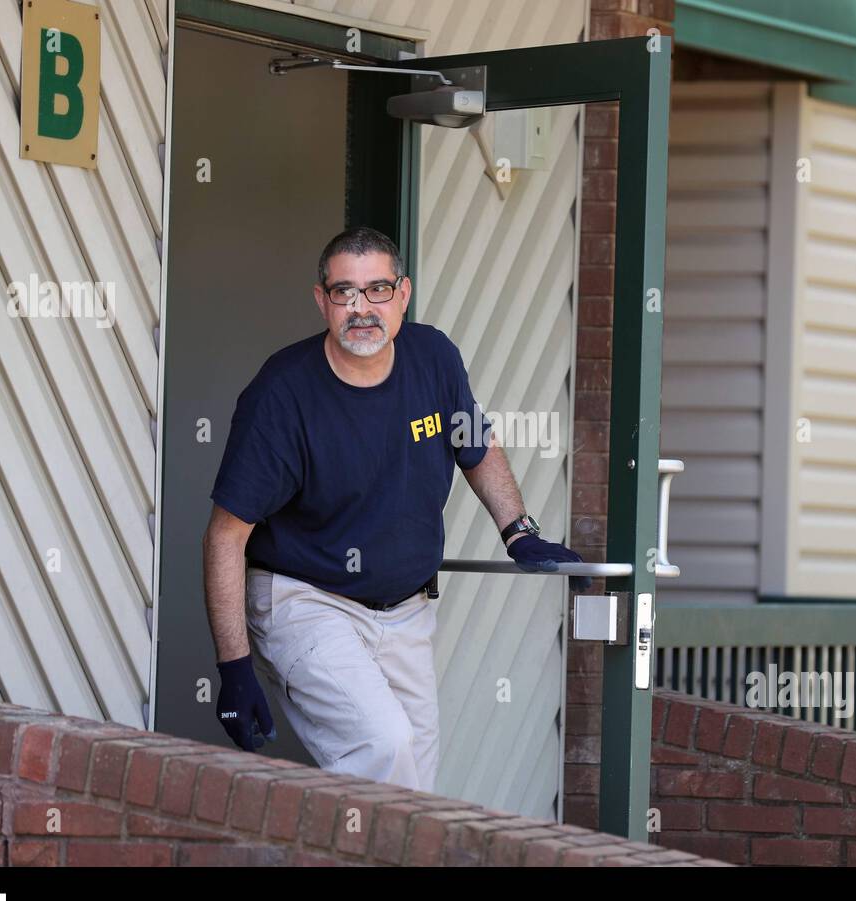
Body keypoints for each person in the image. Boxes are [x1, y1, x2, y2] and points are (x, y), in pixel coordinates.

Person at [201, 225, 589, 793]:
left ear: (402, 295)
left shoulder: (433, 358)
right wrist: (233, 668)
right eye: (344, 292)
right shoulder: (281, 395)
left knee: (414, 790)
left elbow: (474, 446)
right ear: (321, 300)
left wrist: (518, 531)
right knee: (384, 746)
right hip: (306, 600)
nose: (362, 308)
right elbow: (224, 537)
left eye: (378, 289)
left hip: (407, 613)